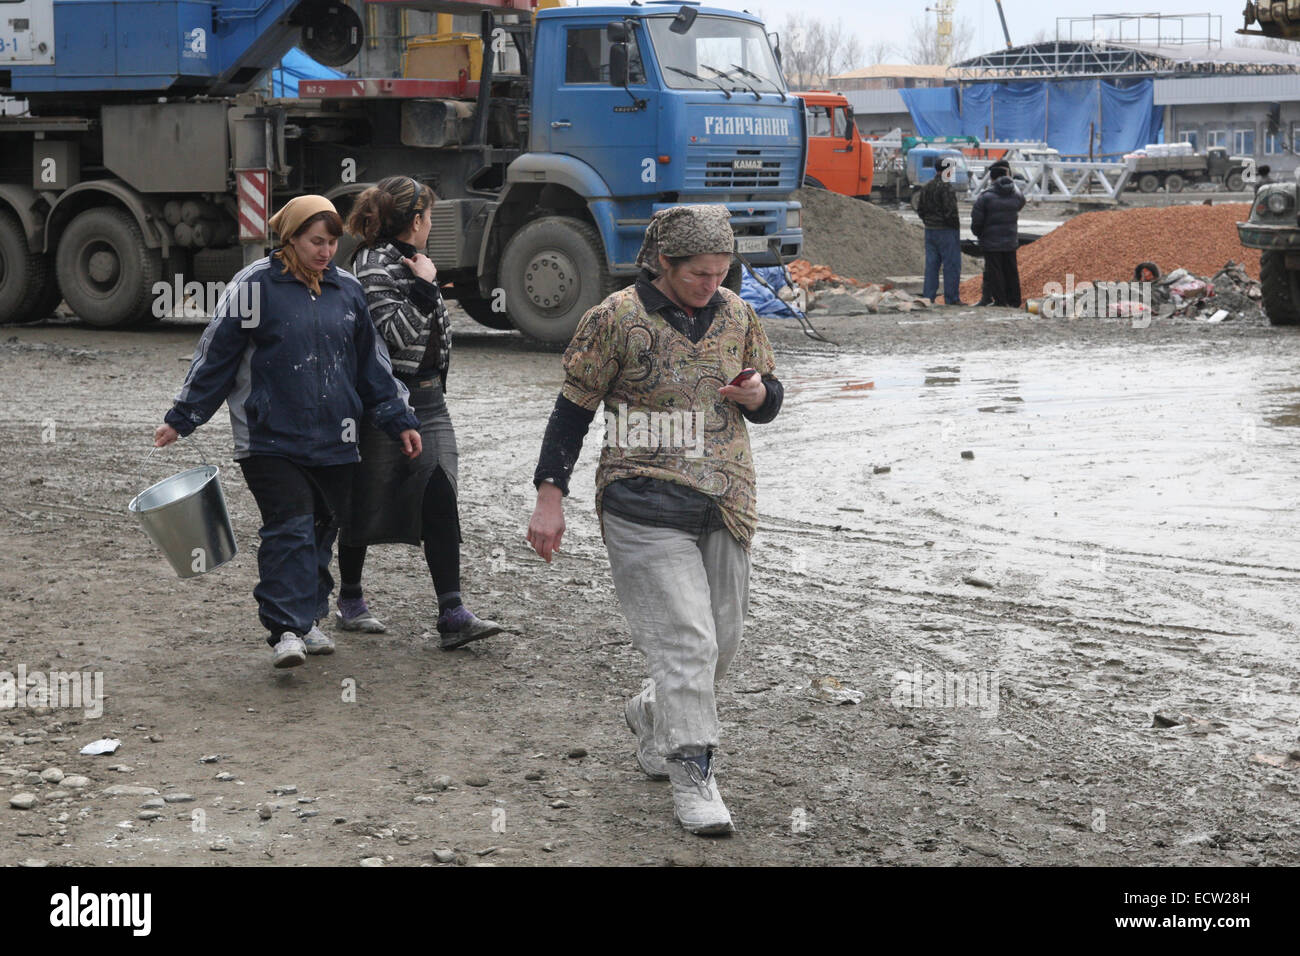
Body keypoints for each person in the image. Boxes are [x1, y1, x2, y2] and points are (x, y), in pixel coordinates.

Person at [526, 205, 784, 836]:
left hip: (726, 501)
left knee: (721, 643)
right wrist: (549, 496)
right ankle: (693, 772)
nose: (712, 283)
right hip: (641, 500)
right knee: (686, 643)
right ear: (662, 263)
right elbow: (572, 412)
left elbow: (770, 399)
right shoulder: (613, 319)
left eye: (722, 272)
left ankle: (652, 710)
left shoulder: (739, 315)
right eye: (698, 273)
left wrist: (758, 395)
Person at [154, 195, 422, 669]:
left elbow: (372, 366)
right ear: (291, 238)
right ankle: (284, 630)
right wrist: (184, 416)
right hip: (269, 437)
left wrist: (398, 419)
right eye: (316, 241)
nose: (326, 251)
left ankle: (309, 616)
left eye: (333, 242)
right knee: (290, 525)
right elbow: (216, 356)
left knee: (322, 528)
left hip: (336, 438)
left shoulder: (347, 291)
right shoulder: (255, 287)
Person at [339, 176, 502, 650]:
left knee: (439, 491)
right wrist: (426, 288)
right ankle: (350, 598)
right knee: (365, 495)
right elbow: (391, 337)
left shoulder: (411, 261)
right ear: (416, 221)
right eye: (428, 216)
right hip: (385, 400)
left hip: (429, 400)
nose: (431, 223)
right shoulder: (373, 264)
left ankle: (451, 612)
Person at [972, 160, 1026, 307]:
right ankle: (1014, 300)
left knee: (995, 272)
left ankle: (1000, 301)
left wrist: (979, 234)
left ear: (991, 178)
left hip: (991, 241)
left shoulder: (985, 197)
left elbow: (977, 221)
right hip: (1010, 240)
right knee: (1011, 271)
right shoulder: (1016, 194)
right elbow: (1021, 203)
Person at [916, 156, 964, 306]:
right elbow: (951, 212)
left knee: (931, 266)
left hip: (930, 231)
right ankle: (952, 299)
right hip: (946, 231)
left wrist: (929, 222)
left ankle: (928, 297)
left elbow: (920, 210)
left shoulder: (927, 186)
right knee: (951, 266)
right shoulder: (946, 187)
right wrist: (955, 228)